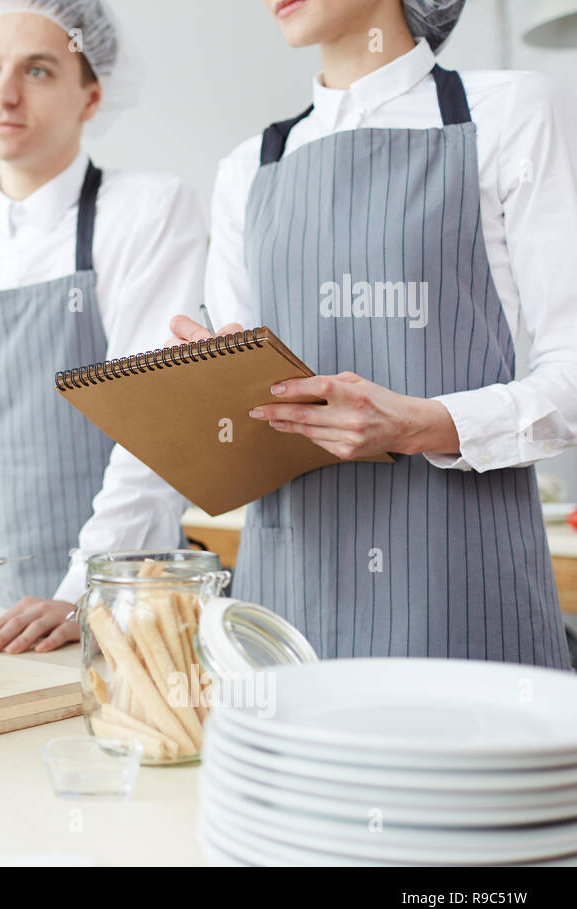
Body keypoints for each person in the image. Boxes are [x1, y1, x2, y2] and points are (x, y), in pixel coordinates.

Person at [172, 0, 576, 665]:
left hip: (459, 589)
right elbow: (248, 428)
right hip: (286, 601)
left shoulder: (512, 112)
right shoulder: (249, 167)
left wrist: (419, 423)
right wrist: (203, 396)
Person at [0, 0, 206, 654]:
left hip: (128, 597)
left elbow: (154, 428)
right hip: (6, 617)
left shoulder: (147, 208)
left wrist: (83, 593)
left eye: (37, 71)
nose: (4, 94)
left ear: (91, 97)